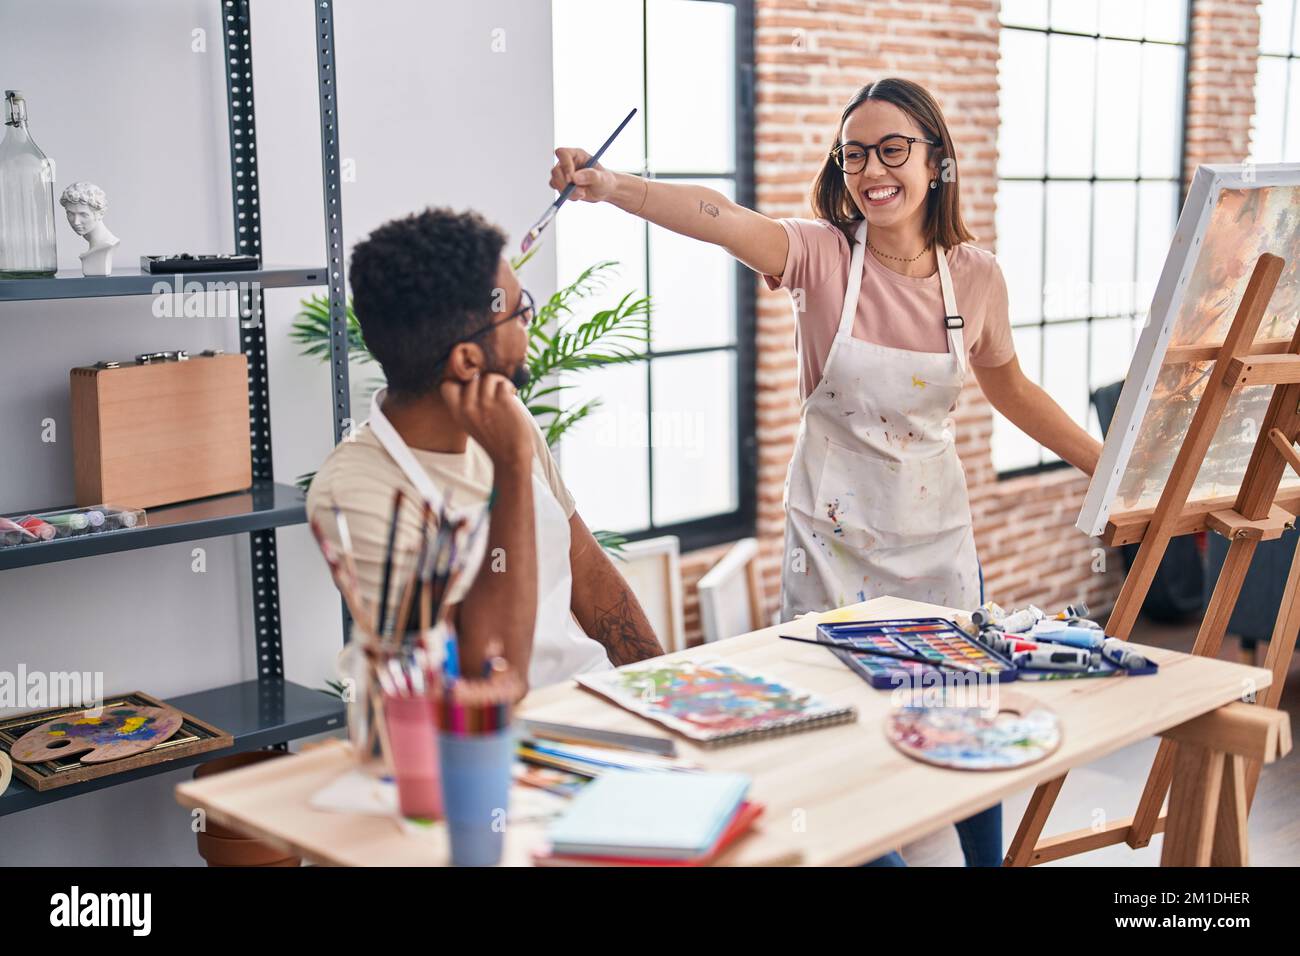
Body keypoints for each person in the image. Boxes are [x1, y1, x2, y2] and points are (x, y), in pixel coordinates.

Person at [548, 77, 1102, 865]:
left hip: (936, 540)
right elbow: (719, 220)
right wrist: (612, 188)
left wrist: (1112, 473)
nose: (872, 170)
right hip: (831, 545)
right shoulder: (818, 257)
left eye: (892, 149)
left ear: (936, 159)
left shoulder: (975, 276)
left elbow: (1011, 387)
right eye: (853, 155)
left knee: (966, 720)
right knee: (836, 731)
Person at [306, 208, 663, 694]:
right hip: (489, 747)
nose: (531, 323)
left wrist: (662, 689)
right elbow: (488, 674)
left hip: (595, 703)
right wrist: (512, 468)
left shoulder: (509, 417)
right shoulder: (355, 492)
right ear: (468, 361)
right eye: (520, 311)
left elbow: (587, 571)